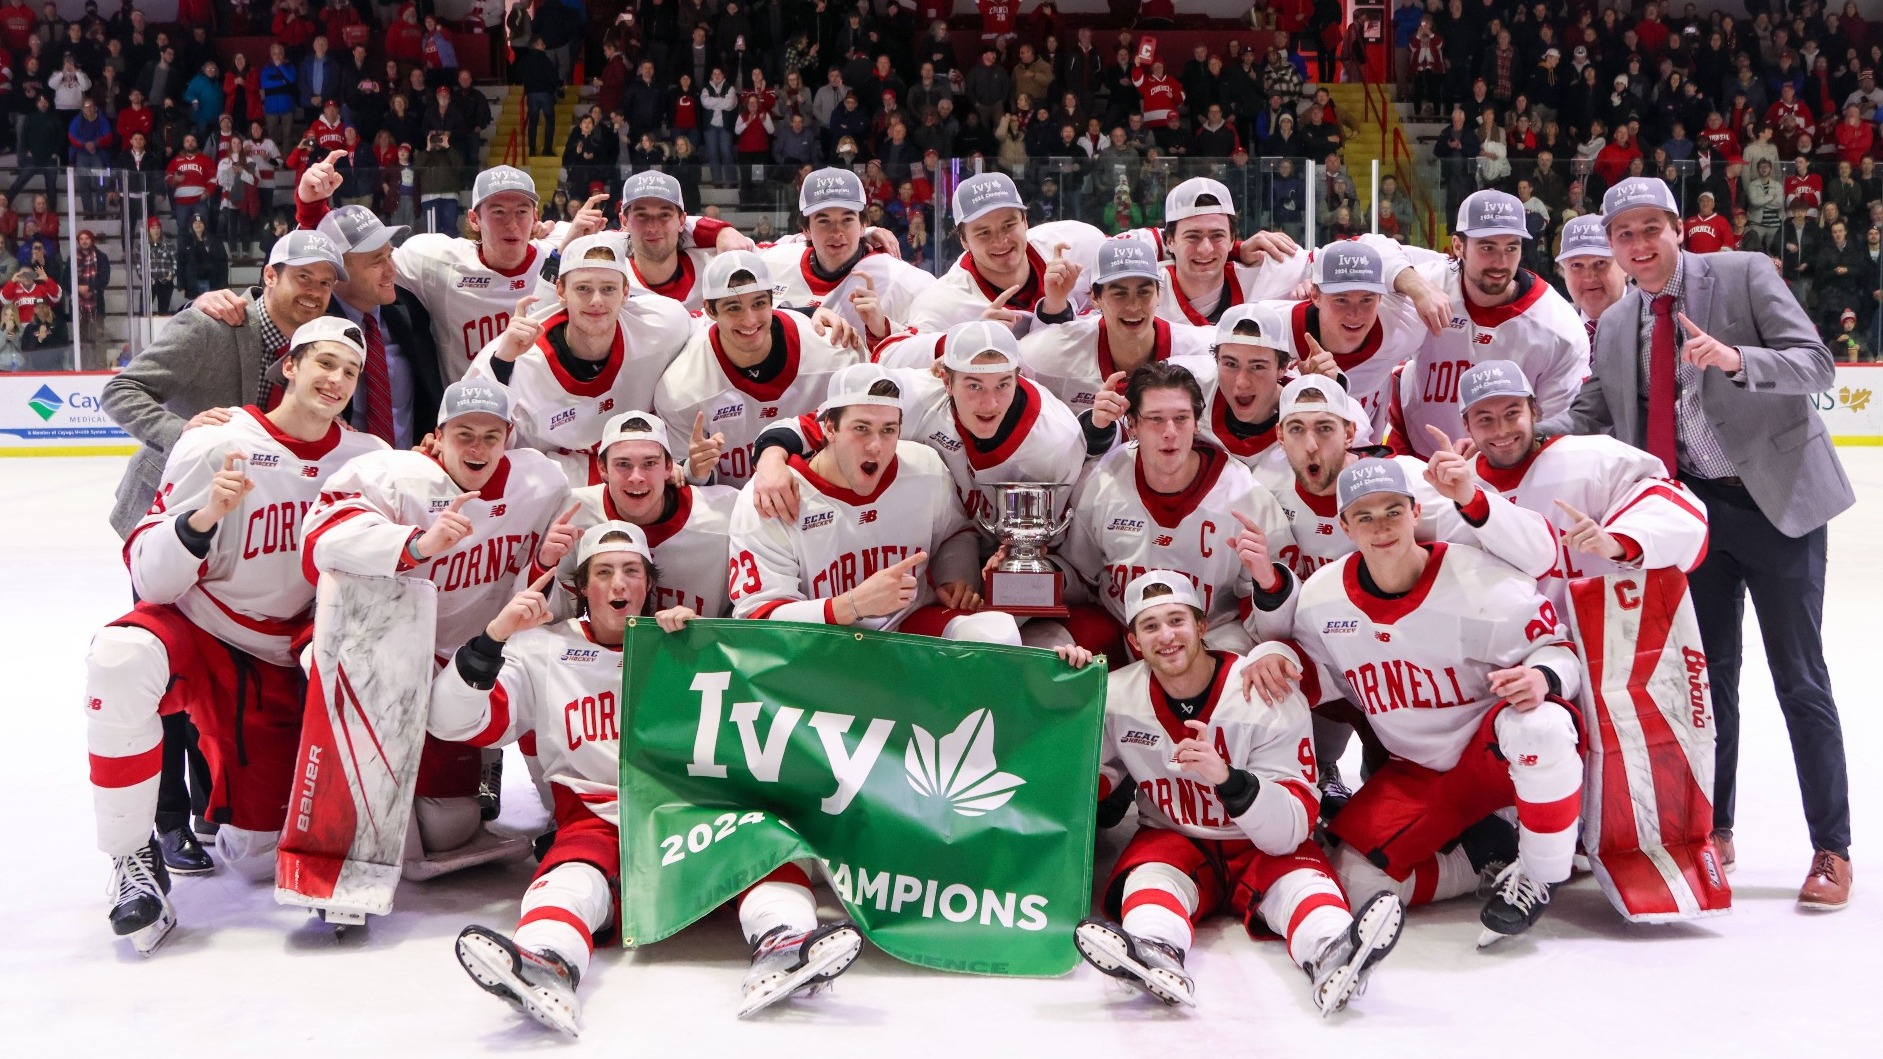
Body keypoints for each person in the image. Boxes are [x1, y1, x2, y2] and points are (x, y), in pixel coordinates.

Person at [1547, 176, 1856, 909]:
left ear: (1677, 229)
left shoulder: (1742, 274)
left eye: (1650, 228)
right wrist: (1514, 438)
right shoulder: (1619, 321)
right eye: (1623, 235)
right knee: (1706, 682)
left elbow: (1815, 364)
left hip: (1776, 505)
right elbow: (1592, 410)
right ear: (1611, 248)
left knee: (1798, 678)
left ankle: (1830, 847)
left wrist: (1735, 361)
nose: (1638, 244)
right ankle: (1713, 832)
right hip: (1695, 518)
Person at [81, 317, 388, 954]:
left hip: (290, 659)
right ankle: (132, 863)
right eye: (323, 363)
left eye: (349, 371)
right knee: (120, 656)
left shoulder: (367, 462)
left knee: (253, 856)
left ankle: (322, 847)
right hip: (207, 632)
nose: (335, 380)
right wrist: (202, 520)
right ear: (290, 367)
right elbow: (151, 577)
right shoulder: (217, 441)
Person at [1243, 458, 1585, 948]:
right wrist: (1275, 653)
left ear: (1415, 510)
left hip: (1493, 754)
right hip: (1420, 770)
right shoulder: (1324, 598)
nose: (1380, 527)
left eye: (1392, 511)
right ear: (1344, 526)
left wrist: (1541, 675)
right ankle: (1482, 856)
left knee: (1543, 724)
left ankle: (1539, 873)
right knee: (1355, 880)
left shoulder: (1479, 578)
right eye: (1364, 516)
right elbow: (1317, 676)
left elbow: (1561, 650)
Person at [1073, 570, 1403, 1015]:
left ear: (1202, 627)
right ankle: (1154, 949)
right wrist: (1066, 683)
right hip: (1176, 838)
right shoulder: (1116, 694)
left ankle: (1333, 948)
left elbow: (1292, 826)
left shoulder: (1265, 689)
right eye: (1150, 626)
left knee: (1302, 883)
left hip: (1260, 842)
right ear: (1133, 641)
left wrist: (1228, 780)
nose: (1166, 636)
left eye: (1176, 621)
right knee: (1149, 877)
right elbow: (1086, 774)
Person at [434, 522, 705, 1035]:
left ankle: (785, 936)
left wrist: (703, 644)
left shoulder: (686, 640)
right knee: (572, 876)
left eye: (632, 571)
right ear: (581, 587)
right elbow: (453, 722)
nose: (619, 585)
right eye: (604, 573)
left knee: (765, 849)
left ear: (649, 583)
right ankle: (545, 963)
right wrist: (493, 639)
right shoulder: (541, 648)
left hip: (688, 811)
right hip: (591, 812)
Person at [300, 380, 575, 864]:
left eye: (491, 436)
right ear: (437, 435)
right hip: (386, 648)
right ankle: (344, 797)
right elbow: (319, 543)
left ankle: (478, 765)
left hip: (460, 660)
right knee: (323, 662)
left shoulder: (540, 481)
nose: (477, 448)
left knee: (450, 828)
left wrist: (542, 564)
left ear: (510, 437)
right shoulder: (394, 475)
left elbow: (528, 588)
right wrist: (415, 546)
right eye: (464, 433)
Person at [724, 362, 1019, 647]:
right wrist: (848, 606)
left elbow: (955, 534)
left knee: (996, 632)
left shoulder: (924, 466)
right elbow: (757, 620)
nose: (876, 445)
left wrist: (955, 578)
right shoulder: (772, 494)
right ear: (829, 428)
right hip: (821, 645)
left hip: (909, 624)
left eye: (888, 430)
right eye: (861, 429)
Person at [101, 229, 347, 537]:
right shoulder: (208, 327)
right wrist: (180, 433)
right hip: (170, 508)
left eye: (325, 283)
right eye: (304, 277)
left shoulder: (311, 346)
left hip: (246, 518)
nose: (314, 292)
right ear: (270, 276)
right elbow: (120, 391)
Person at [1061, 361, 1295, 654]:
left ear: (1197, 423)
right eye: (1155, 419)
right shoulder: (1102, 480)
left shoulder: (1246, 497)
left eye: (1181, 418)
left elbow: (1281, 622)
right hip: (1127, 634)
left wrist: (1269, 583)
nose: (1170, 432)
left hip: (1212, 642)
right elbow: (1081, 576)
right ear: (1131, 425)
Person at [466, 233, 693, 486]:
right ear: (561, 291)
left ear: (626, 292)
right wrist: (502, 364)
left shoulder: (664, 323)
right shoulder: (513, 357)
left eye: (608, 289)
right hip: (557, 493)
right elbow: (469, 440)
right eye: (583, 288)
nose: (596, 301)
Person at [1385, 190, 1588, 460]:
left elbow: (1557, 429)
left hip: (1504, 461)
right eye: (1487, 247)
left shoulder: (1558, 326)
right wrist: (1411, 284)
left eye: (1511, 248)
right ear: (1458, 246)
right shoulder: (1429, 283)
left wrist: (1493, 455)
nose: (1501, 262)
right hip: (1415, 448)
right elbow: (1370, 251)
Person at [652, 250, 861, 489]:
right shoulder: (681, 389)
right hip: (733, 516)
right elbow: (689, 487)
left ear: (773, 301)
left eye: (759, 303)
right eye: (733, 308)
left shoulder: (835, 354)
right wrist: (694, 471)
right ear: (710, 311)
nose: (749, 320)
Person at [558, 412, 738, 618]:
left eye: (649, 463)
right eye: (623, 464)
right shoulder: (573, 513)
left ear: (669, 467)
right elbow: (560, 608)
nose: (636, 477)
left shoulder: (725, 512)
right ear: (602, 468)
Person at [1019, 237, 1215, 422]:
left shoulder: (1204, 350)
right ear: (1095, 298)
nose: (1133, 306)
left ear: (1158, 294)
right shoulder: (1050, 352)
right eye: (1119, 294)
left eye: (1144, 292)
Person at [905, 171, 1112, 336]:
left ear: (1025, 221)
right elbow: (890, 352)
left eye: (1008, 224)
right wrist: (966, 341)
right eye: (983, 232)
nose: (1000, 241)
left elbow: (1141, 240)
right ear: (964, 240)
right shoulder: (943, 302)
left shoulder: (1077, 242)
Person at [309, 204, 442, 449]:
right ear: (336, 272)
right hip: (339, 476)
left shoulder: (412, 310)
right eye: (376, 262)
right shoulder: (311, 325)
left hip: (411, 471)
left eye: (390, 255)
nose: (392, 271)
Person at [761, 168, 938, 342]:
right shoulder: (774, 261)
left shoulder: (904, 281)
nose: (837, 232)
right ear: (806, 229)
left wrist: (884, 330)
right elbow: (739, 251)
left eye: (847, 220)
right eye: (824, 221)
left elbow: (934, 349)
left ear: (863, 225)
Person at [1553, 214, 1626, 337]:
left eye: (1600, 263)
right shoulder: (1555, 330)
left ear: (1624, 265)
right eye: (1576, 265)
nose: (1589, 277)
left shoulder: (1656, 321)